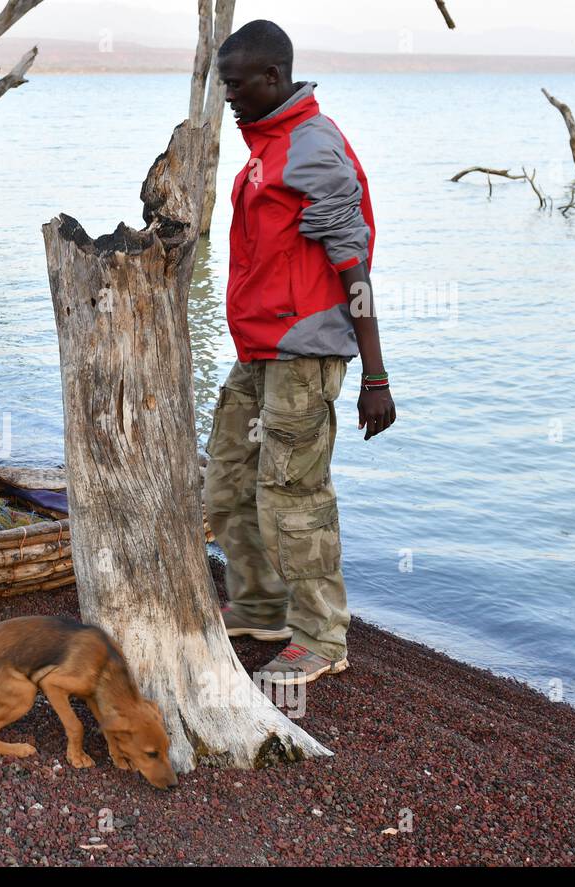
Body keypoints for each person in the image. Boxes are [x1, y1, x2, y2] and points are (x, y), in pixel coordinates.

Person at [203, 20, 397, 686]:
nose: (226, 94)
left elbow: (354, 264)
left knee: (294, 497)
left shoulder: (311, 148)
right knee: (227, 483)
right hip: (259, 350)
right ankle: (260, 607)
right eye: (223, 81)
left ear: (273, 79)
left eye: (234, 83)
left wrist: (376, 373)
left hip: (305, 355)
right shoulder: (268, 144)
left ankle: (321, 639)